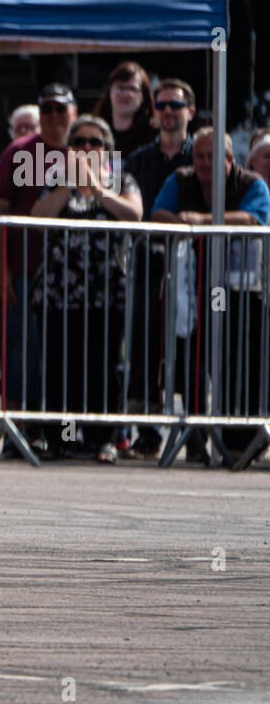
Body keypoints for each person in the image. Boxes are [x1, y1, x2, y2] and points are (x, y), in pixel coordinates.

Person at [152, 128, 270, 461]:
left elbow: (254, 218)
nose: (204, 163)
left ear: (231, 159)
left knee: (234, 358)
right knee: (192, 357)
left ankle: (236, 441)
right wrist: (179, 221)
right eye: (200, 156)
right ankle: (193, 435)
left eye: (213, 157)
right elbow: (157, 213)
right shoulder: (180, 179)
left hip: (233, 293)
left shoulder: (252, 184)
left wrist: (203, 221)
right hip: (191, 289)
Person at [30, 116, 143, 463]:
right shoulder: (53, 178)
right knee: (61, 367)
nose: (87, 148)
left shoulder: (120, 178)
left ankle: (103, 440)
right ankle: (62, 438)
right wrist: (69, 184)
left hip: (106, 292)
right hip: (59, 293)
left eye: (95, 142)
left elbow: (134, 214)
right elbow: (39, 215)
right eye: (79, 141)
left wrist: (97, 187)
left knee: (105, 366)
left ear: (107, 148)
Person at [0, 82, 78, 445]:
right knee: (20, 349)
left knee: (63, 353)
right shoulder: (19, 151)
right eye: (48, 110)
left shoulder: (89, 148)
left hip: (75, 281)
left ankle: (62, 434)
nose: (55, 116)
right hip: (25, 271)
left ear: (74, 112)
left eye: (61, 109)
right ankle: (16, 432)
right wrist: (4, 271)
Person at [123, 77, 195, 457]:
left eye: (175, 106)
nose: (168, 113)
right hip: (147, 264)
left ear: (191, 112)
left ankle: (198, 432)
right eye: (162, 106)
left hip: (194, 269)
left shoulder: (201, 155)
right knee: (144, 344)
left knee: (192, 347)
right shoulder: (138, 159)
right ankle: (147, 432)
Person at [94, 60, 156, 163]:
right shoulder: (93, 134)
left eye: (132, 89)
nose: (125, 93)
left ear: (143, 97)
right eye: (120, 87)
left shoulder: (153, 137)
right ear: (110, 91)